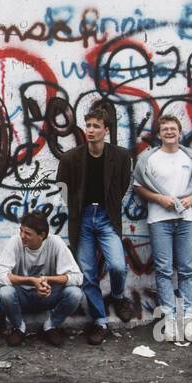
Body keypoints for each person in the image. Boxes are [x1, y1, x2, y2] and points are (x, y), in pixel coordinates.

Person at [56, 106, 135, 345]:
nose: (90, 130)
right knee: (88, 274)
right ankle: (100, 321)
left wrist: (108, 207)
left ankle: (119, 296)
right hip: (82, 219)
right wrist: (77, 208)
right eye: (88, 125)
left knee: (118, 266)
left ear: (106, 130)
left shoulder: (121, 156)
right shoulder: (71, 158)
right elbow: (62, 188)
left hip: (106, 216)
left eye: (96, 126)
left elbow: (121, 186)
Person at [131, 113, 192, 343]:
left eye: (173, 128)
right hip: (159, 219)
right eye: (165, 129)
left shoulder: (190, 157)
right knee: (163, 270)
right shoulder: (149, 159)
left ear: (179, 132)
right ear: (159, 134)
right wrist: (158, 198)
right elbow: (138, 187)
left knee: (186, 270)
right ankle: (170, 319)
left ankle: (189, 319)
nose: (169, 132)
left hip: (185, 219)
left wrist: (191, 199)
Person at [0, 212, 84, 347]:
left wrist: (47, 280)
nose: (22, 236)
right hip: (22, 296)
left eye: (28, 233)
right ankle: (19, 328)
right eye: (21, 231)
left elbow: (78, 277)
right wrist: (31, 280)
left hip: (48, 295)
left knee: (75, 293)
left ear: (41, 236)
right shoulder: (15, 241)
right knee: (5, 292)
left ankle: (50, 326)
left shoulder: (55, 242)